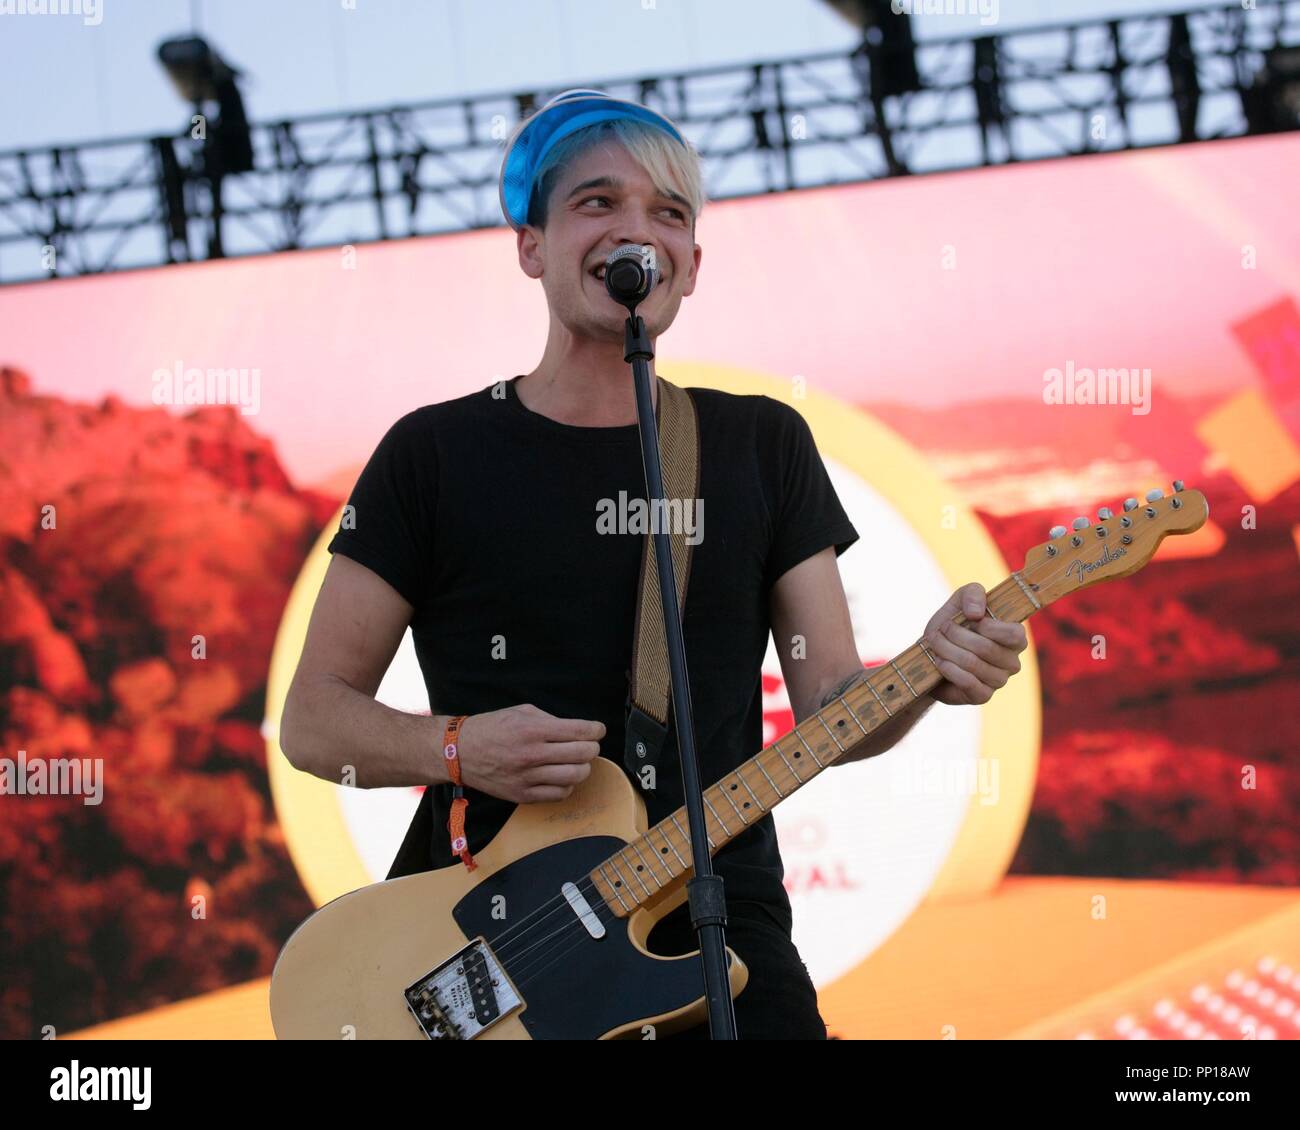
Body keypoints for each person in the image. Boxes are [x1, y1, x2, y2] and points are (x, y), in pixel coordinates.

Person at [278, 89, 1029, 1040]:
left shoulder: (760, 443)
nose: (638, 229)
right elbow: (312, 721)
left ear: (691, 265)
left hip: (722, 920)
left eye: (669, 213)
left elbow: (837, 702)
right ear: (531, 246)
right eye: (597, 202)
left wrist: (929, 675)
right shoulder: (432, 454)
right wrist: (459, 747)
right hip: (492, 944)